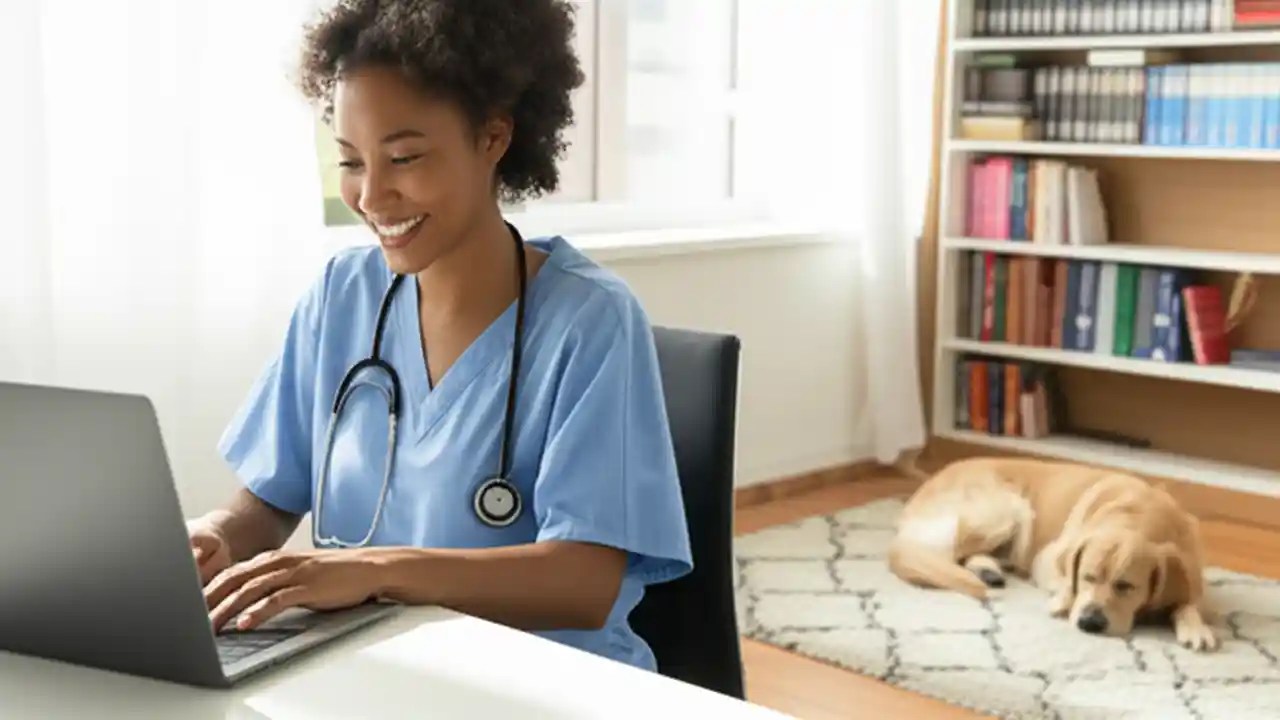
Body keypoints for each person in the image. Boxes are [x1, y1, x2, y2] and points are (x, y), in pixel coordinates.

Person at [186, 0, 692, 673]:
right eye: (352, 162)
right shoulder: (342, 295)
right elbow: (271, 500)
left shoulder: (590, 321)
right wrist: (217, 537)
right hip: (380, 672)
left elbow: (583, 582)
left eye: (403, 157)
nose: (370, 196)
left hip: (552, 686)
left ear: (493, 138)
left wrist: (373, 569)